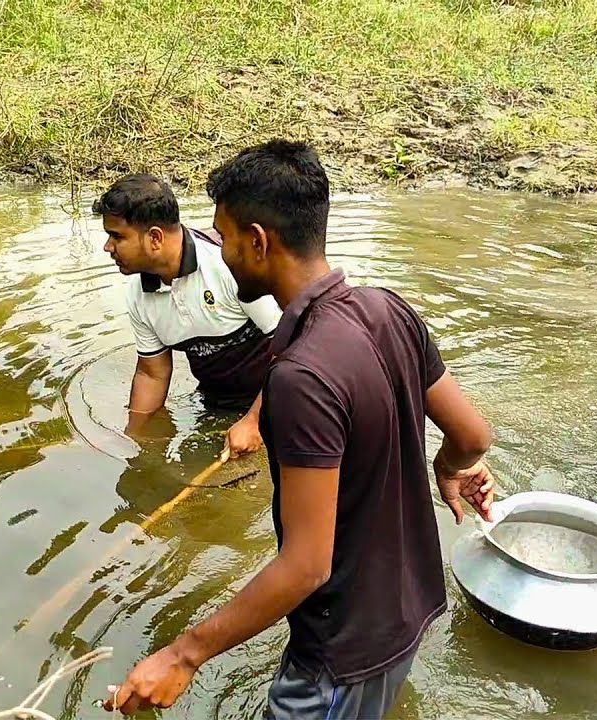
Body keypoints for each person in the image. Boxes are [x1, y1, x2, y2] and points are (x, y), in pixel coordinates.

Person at [103, 140, 497, 718]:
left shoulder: (298, 377)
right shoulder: (387, 308)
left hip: (340, 649)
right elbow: (473, 437)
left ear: (258, 241)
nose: (220, 250)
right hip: (409, 607)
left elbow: (307, 565)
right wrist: (448, 466)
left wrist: (183, 655)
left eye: (226, 237)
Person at [93, 174, 282, 458]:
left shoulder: (227, 265)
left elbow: (291, 347)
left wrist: (255, 420)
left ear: (155, 237)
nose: (108, 247)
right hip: (215, 401)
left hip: (280, 397)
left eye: (117, 236)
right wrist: (133, 441)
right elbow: (151, 374)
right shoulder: (137, 294)